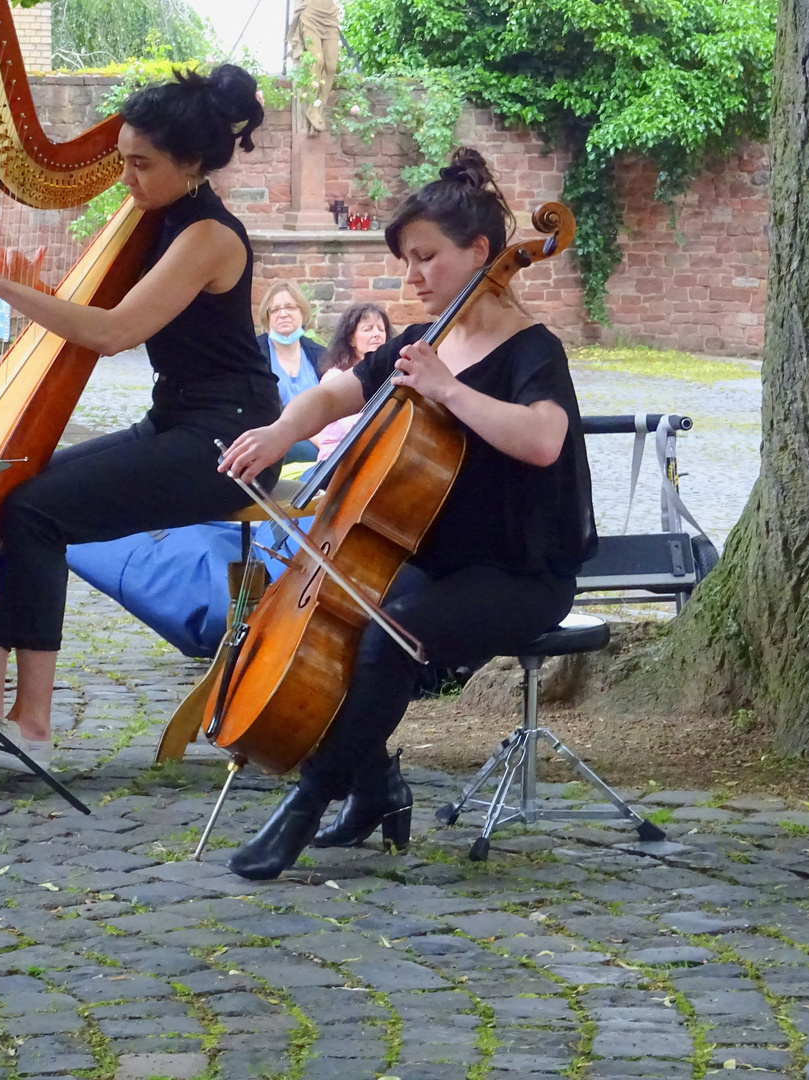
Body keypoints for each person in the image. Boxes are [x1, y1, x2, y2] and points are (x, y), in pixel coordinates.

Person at [216, 147, 597, 880]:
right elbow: (337, 391)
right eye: (407, 261)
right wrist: (281, 431)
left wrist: (448, 389)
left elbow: (544, 439)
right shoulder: (423, 340)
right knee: (352, 621)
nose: (412, 277)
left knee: (395, 635)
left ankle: (308, 802)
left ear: (479, 251)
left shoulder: (532, 349)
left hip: (520, 573)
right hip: (435, 560)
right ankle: (377, 787)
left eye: (426, 258)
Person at [0, 65, 279, 772]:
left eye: (141, 164)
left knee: (38, 512)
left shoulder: (208, 236)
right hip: (176, 421)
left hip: (229, 440)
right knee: (3, 490)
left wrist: (2, 288)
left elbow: (114, 332)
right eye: (122, 160)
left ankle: (32, 726)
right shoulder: (163, 218)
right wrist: (38, 290)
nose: (126, 178)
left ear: (192, 163)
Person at [255, 282, 326, 463]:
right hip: (276, 439)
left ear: (302, 312)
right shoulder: (254, 354)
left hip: (321, 436)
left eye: (290, 307)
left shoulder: (321, 355)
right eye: (275, 310)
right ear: (267, 317)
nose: (283, 314)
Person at [313, 302, 391, 459]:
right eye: (368, 329)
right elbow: (354, 428)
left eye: (381, 329)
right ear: (351, 340)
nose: (377, 334)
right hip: (338, 461)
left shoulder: (391, 376)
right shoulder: (334, 377)